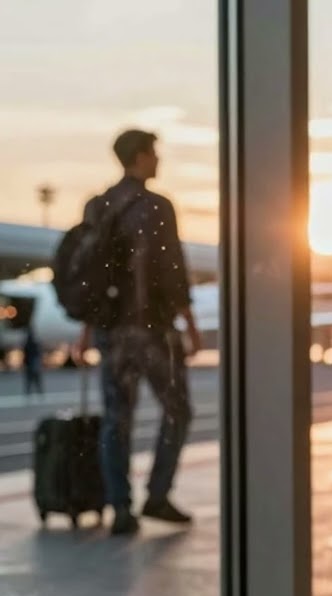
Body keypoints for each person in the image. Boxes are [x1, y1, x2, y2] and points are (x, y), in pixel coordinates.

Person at [79, 129, 201, 535]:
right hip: (151, 329)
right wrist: (190, 323)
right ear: (141, 156)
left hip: (110, 332)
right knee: (178, 410)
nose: (159, 160)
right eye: (155, 153)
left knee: (117, 418)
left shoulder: (98, 205)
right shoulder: (157, 207)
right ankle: (157, 495)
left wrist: (87, 329)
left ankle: (120, 508)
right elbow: (172, 271)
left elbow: (92, 278)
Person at [22, 329, 43, 396]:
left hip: (30, 365)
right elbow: (37, 354)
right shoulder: (34, 344)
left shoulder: (28, 345)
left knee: (30, 380)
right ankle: (39, 392)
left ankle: (30, 392)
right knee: (35, 380)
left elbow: (26, 355)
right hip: (33, 364)